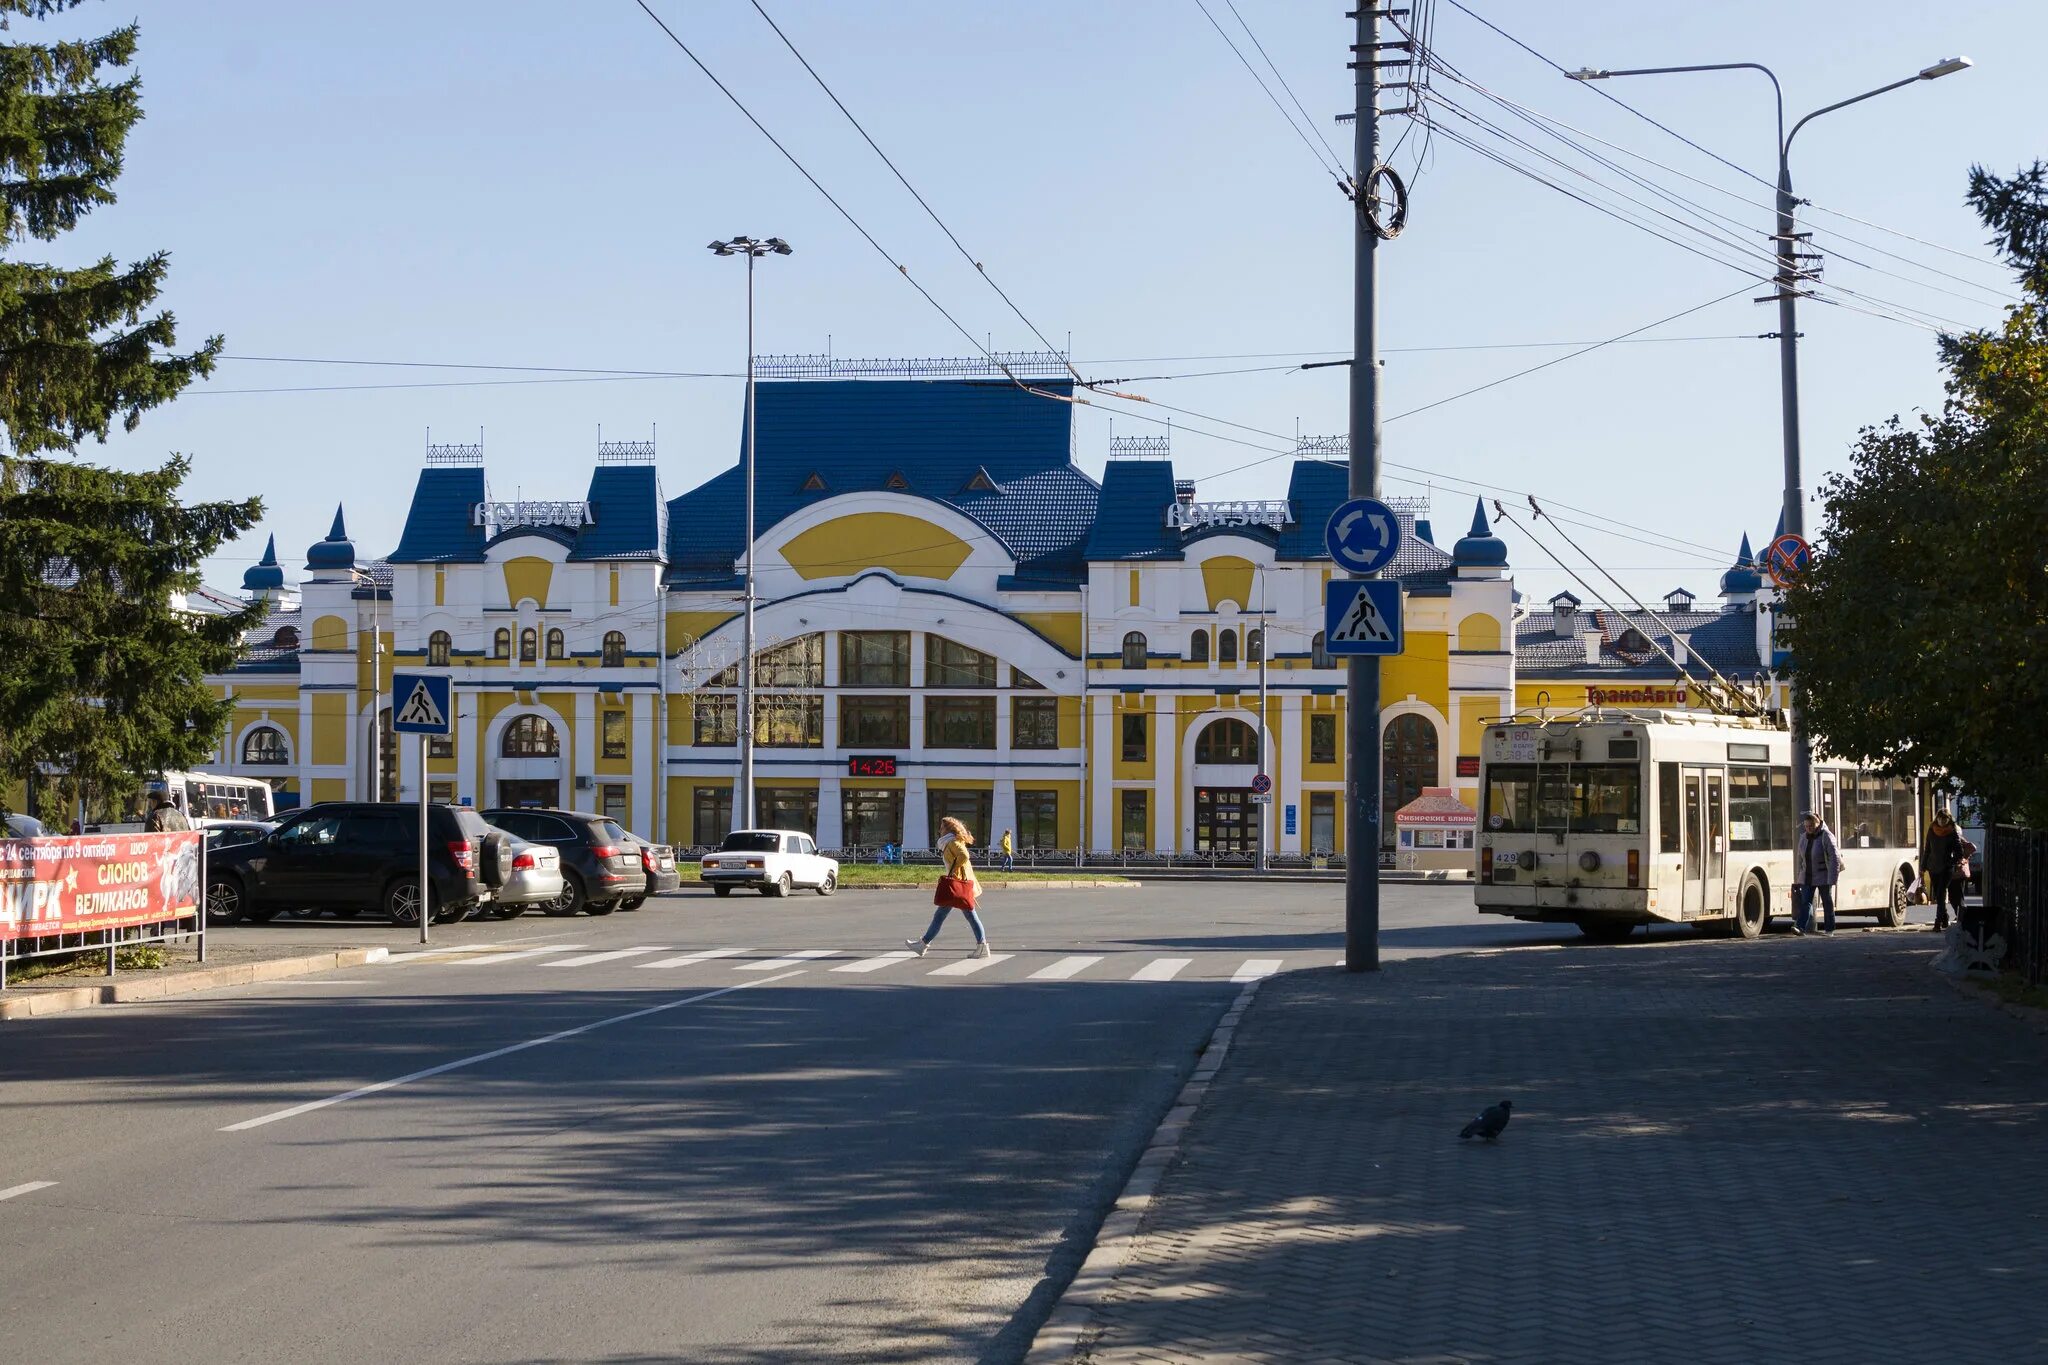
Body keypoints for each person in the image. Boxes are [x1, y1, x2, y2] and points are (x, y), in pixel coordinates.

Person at [907, 815, 989, 957]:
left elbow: (964, 856)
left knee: (967, 915)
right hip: (958, 885)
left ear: (948, 829)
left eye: (942, 827)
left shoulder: (952, 842)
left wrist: (954, 869)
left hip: (958, 886)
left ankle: (982, 946)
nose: (940, 830)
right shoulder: (950, 842)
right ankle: (923, 944)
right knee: (942, 915)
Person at [1791, 810, 1841, 935]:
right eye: (1806, 826)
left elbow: (1834, 857)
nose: (1808, 829)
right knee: (1806, 902)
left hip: (1823, 875)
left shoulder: (1826, 836)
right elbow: (1800, 859)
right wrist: (1798, 877)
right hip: (1807, 876)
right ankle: (1800, 927)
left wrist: (1833, 878)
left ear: (1818, 824)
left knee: (1827, 902)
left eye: (1811, 826)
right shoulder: (1803, 838)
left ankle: (1829, 929)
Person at [1922, 809, 1963, 932]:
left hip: (1946, 869)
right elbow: (1927, 850)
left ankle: (1937, 922)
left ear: (1949, 820)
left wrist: (1951, 862)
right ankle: (1944, 917)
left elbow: (1959, 851)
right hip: (1933, 868)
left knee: (1940, 894)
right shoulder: (1932, 830)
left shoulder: (1952, 831)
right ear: (1937, 818)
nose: (1942, 821)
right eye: (1940, 818)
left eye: (1945, 819)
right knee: (1938, 895)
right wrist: (1923, 867)